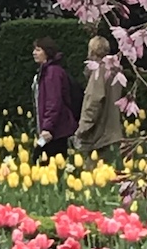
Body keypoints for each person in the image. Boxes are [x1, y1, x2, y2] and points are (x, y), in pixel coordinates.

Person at [73, 34, 125, 163]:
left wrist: (81, 130)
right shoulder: (116, 72)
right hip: (113, 133)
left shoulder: (99, 72)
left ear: (91, 51)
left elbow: (94, 102)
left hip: (99, 135)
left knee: (95, 177)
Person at [34, 41, 80, 153]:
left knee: (45, 163)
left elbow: (53, 102)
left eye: (38, 50)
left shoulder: (52, 73)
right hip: (52, 129)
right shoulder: (45, 71)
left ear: (47, 53)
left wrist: (48, 128)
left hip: (55, 131)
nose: (34, 53)